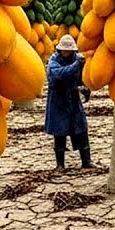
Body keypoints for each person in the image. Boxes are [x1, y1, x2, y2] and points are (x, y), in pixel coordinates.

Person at [45, 35, 92, 171]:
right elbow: (59, 74)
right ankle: (60, 164)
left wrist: (85, 87)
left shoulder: (76, 59)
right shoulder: (53, 61)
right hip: (58, 100)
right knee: (59, 131)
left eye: (69, 50)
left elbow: (81, 77)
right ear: (60, 50)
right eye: (65, 50)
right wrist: (76, 65)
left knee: (81, 128)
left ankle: (86, 161)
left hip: (72, 98)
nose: (67, 52)